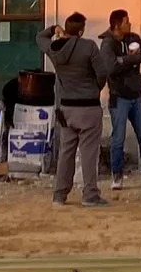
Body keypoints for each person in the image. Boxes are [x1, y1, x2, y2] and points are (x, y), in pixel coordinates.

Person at [43, 13, 110, 207]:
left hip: (66, 107)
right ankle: (90, 194)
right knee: (89, 153)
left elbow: (40, 38)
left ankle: (59, 194)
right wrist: (94, 89)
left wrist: (53, 30)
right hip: (88, 107)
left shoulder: (54, 49)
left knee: (66, 151)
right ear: (81, 31)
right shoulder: (88, 46)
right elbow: (102, 73)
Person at [102, 9, 141, 190]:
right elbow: (110, 67)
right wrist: (131, 59)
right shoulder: (107, 44)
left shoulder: (133, 38)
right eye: (127, 22)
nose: (130, 25)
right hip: (119, 97)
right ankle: (117, 176)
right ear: (117, 25)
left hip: (136, 95)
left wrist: (124, 60)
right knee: (118, 138)